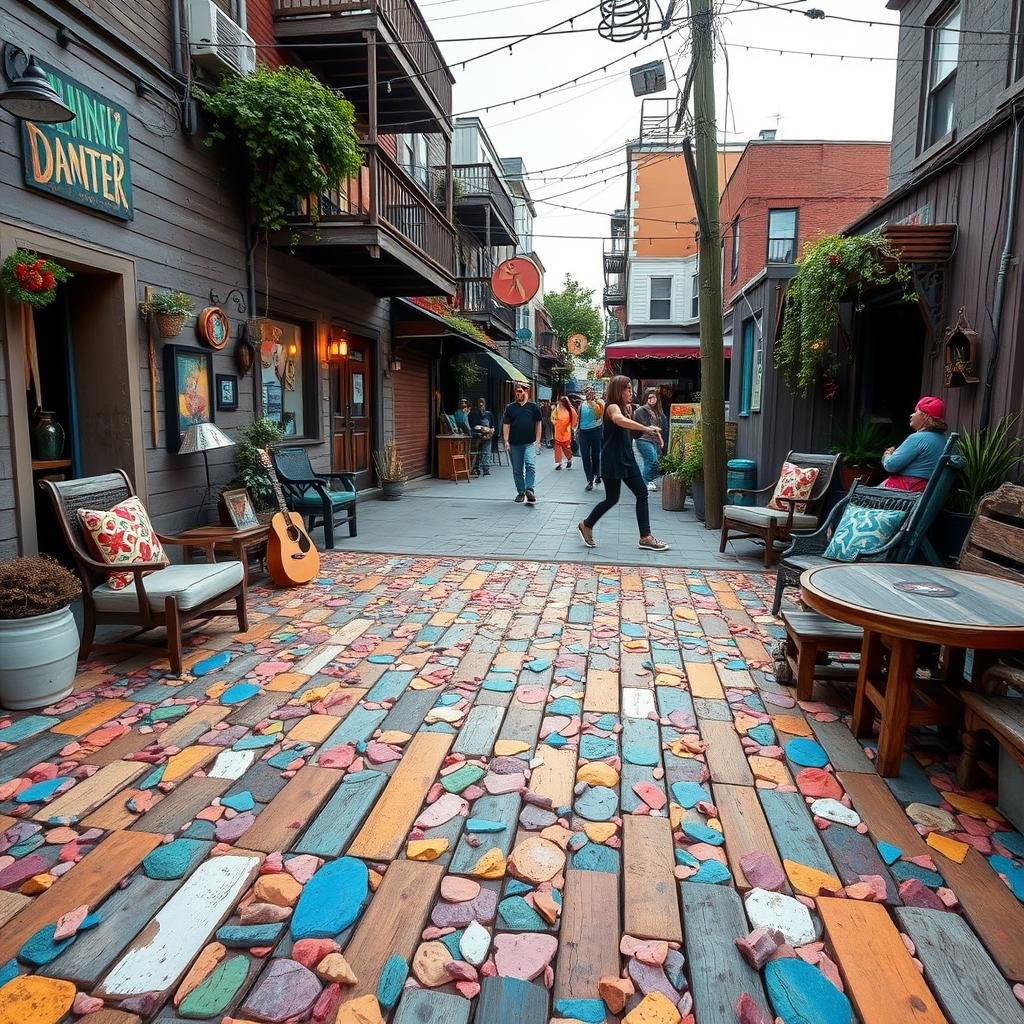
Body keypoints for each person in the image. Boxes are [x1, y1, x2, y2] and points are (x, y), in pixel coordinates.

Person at [578, 375, 669, 551]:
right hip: (612, 459)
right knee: (612, 499)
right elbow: (619, 420)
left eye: (630, 387)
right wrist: (645, 428)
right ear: (618, 390)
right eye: (627, 388)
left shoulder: (628, 408)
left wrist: (652, 434)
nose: (631, 391)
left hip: (627, 458)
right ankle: (587, 524)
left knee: (642, 492)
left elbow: (629, 430)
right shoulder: (612, 407)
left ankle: (645, 537)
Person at [880, 396, 949, 491]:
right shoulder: (943, 440)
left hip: (902, 494)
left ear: (926, 416)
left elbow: (891, 465)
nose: (911, 415)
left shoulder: (917, 439)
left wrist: (887, 454)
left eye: (916, 411)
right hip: (921, 492)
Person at [502, 383, 543, 504]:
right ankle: (521, 492)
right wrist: (506, 441)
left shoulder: (533, 407)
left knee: (530, 465)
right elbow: (506, 425)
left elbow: (538, 423)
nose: (518, 393)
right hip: (514, 444)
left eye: (520, 391)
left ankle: (529, 490)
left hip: (529, 443)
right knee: (517, 470)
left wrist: (538, 440)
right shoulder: (510, 408)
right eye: (516, 391)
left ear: (526, 392)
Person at [633, 387, 664, 492]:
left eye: (654, 397)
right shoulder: (641, 410)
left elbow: (657, 426)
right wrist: (656, 431)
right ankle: (647, 481)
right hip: (643, 439)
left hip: (653, 440)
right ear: (646, 398)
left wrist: (660, 439)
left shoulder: (655, 411)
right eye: (650, 397)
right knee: (651, 460)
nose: (653, 400)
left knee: (652, 461)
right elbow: (644, 426)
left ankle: (646, 481)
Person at [578, 385, 605, 491]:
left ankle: (597, 473)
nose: (589, 393)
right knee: (585, 456)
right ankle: (589, 480)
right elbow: (579, 418)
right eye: (587, 391)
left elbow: (601, 415)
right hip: (583, 433)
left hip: (596, 431)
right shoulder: (581, 404)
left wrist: (597, 402)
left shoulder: (599, 403)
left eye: (591, 391)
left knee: (595, 455)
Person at [469, 398, 495, 476]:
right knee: (476, 453)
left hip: (487, 437)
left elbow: (493, 426)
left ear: (485, 404)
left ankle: (486, 469)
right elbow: (472, 426)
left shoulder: (489, 414)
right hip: (477, 436)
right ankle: (475, 468)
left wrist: (491, 431)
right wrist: (481, 429)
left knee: (486, 452)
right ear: (477, 404)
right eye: (480, 403)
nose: (481, 405)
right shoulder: (473, 414)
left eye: (482, 403)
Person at [551, 395, 579, 470]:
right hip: (558, 430)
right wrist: (555, 422)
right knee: (557, 447)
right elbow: (552, 417)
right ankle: (559, 463)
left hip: (566, 431)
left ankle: (569, 459)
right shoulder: (557, 409)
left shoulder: (571, 409)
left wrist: (571, 427)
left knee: (566, 447)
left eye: (561, 402)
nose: (559, 404)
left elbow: (575, 418)